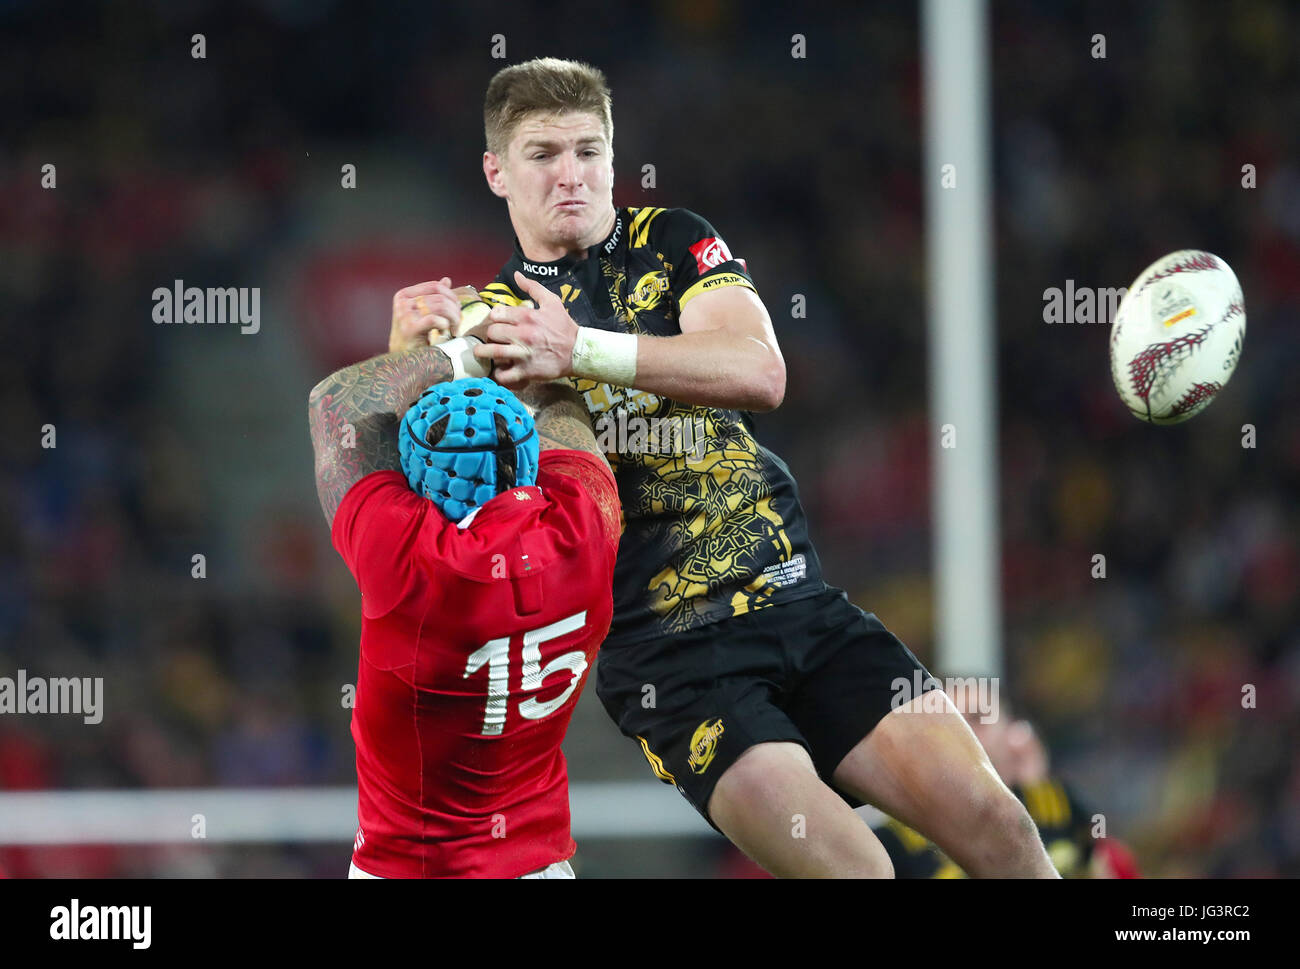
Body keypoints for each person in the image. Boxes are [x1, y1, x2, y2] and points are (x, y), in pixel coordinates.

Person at [387, 57, 1056, 877]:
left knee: (1003, 827)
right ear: (496, 170)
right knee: (860, 872)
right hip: (673, 660)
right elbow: (406, 469)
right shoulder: (492, 322)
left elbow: (760, 369)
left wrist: (582, 349)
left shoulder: (672, 241)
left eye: (590, 151)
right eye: (543, 153)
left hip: (798, 604)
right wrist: (407, 358)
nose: (573, 176)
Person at [308, 323, 621, 878]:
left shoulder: (403, 557)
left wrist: (458, 348)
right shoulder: (589, 525)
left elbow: (335, 401)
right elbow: (560, 408)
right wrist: (518, 340)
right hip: (539, 866)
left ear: (411, 475)